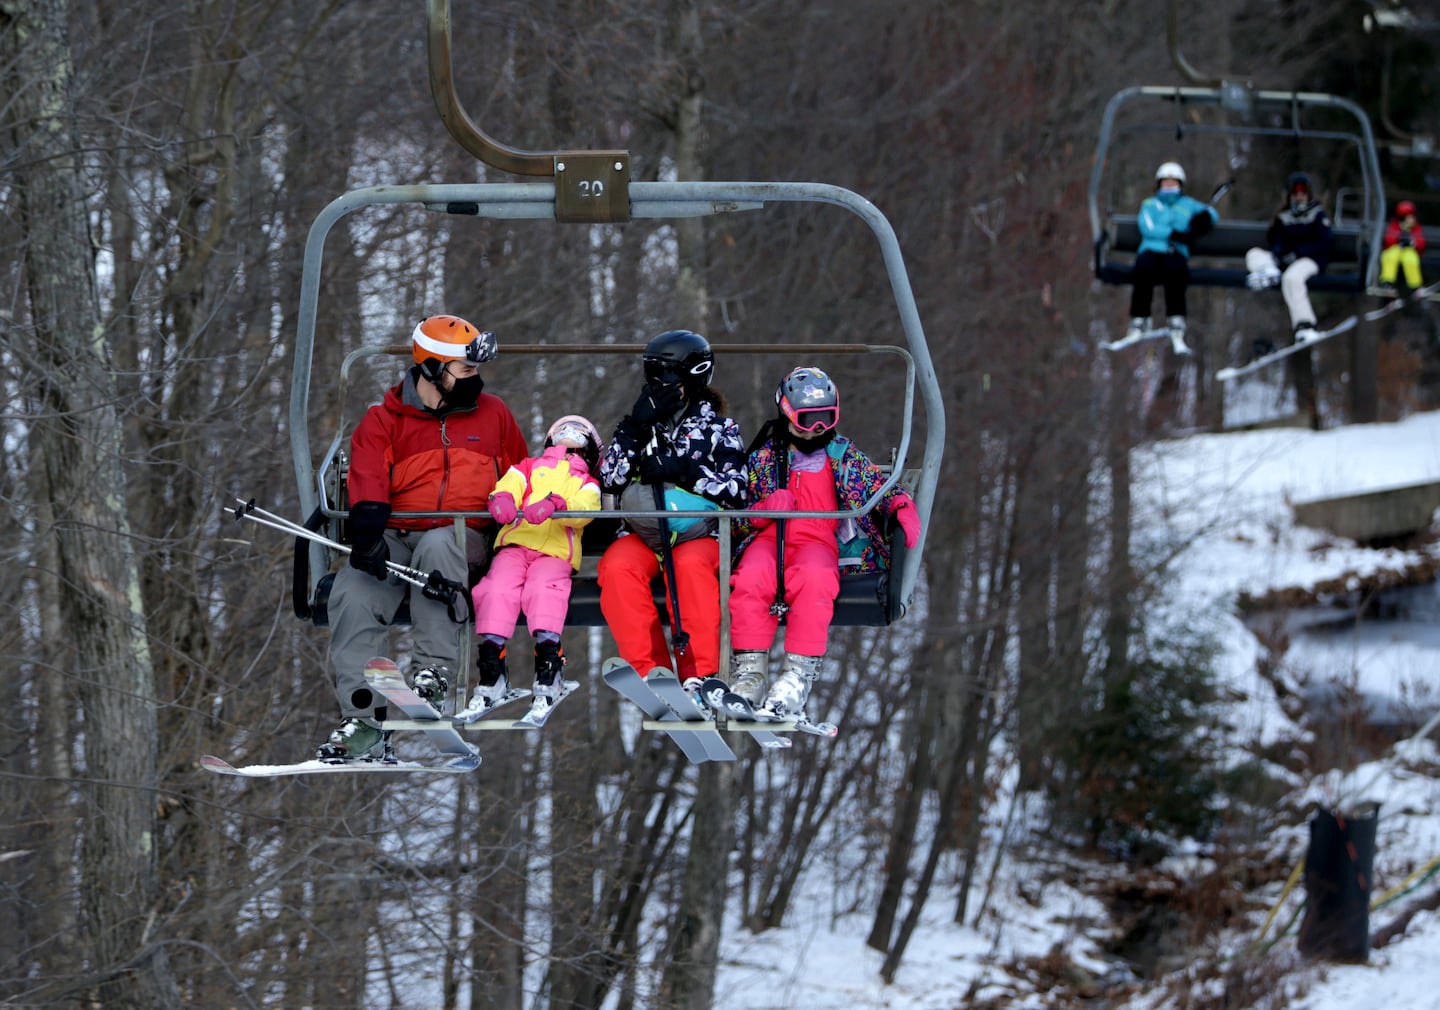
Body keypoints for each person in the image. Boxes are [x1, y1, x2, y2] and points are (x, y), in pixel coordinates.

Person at [317, 314, 529, 761]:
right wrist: (369, 534)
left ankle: (433, 675)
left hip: (463, 537)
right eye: (466, 370)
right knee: (353, 590)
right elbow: (369, 474)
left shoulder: (495, 416)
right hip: (396, 537)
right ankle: (362, 715)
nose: (476, 379)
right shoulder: (384, 420)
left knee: (437, 546)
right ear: (433, 368)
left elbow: (522, 476)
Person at [727, 366, 921, 721]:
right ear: (786, 413)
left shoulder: (841, 454)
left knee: (816, 581)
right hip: (770, 537)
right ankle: (750, 672)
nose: (817, 429)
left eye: (825, 420)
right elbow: (736, 511)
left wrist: (898, 504)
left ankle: (796, 676)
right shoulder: (765, 457)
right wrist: (762, 510)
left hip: (818, 539)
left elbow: (873, 485)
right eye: (807, 420)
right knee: (750, 578)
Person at [597, 329, 747, 691]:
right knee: (617, 567)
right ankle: (650, 670)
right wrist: (635, 427)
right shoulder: (640, 426)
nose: (661, 386)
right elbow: (609, 478)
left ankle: (701, 673)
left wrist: (684, 472)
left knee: (690, 567)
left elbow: (737, 489)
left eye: (668, 377)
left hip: (698, 533)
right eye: (653, 377)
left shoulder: (718, 429)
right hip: (645, 533)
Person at [461, 415, 604, 718]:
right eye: (563, 429)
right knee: (496, 588)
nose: (569, 434)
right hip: (517, 544)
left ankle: (550, 668)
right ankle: (491, 670)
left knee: (545, 590)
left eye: (579, 432)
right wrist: (502, 498)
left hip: (554, 552)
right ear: (552, 438)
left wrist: (557, 505)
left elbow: (587, 508)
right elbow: (511, 482)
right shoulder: (529, 466)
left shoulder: (587, 482)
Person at [1124, 161, 1218, 343]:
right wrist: (1173, 233)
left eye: (1173, 183)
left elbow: (1210, 214)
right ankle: (1140, 318)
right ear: (1159, 184)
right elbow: (1148, 227)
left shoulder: (1187, 204)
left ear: (1180, 185)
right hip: (1152, 249)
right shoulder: (1150, 204)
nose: (1169, 186)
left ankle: (1176, 318)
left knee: (1176, 271)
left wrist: (1203, 220)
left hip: (1175, 252)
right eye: (1166, 183)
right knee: (1143, 268)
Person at [1245, 171, 1334, 345]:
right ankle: (1268, 272)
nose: (1299, 196)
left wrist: (1298, 253)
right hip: (1287, 261)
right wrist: (1280, 255)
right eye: (1295, 193)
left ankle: (1305, 324)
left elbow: (1324, 243)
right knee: (1254, 254)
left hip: (1310, 260)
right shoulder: (1284, 217)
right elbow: (1278, 242)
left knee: (1292, 278)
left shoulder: (1317, 214)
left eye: (1303, 192)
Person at [1378, 199, 1426, 295]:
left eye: (1412, 217)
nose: (1411, 219)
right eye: (1408, 217)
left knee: (1411, 259)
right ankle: (1387, 282)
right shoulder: (1394, 226)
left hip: (1409, 250)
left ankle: (1415, 285)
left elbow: (1421, 244)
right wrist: (1399, 239)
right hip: (1396, 249)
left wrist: (1412, 242)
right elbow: (1388, 240)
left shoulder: (1416, 228)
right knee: (1390, 257)